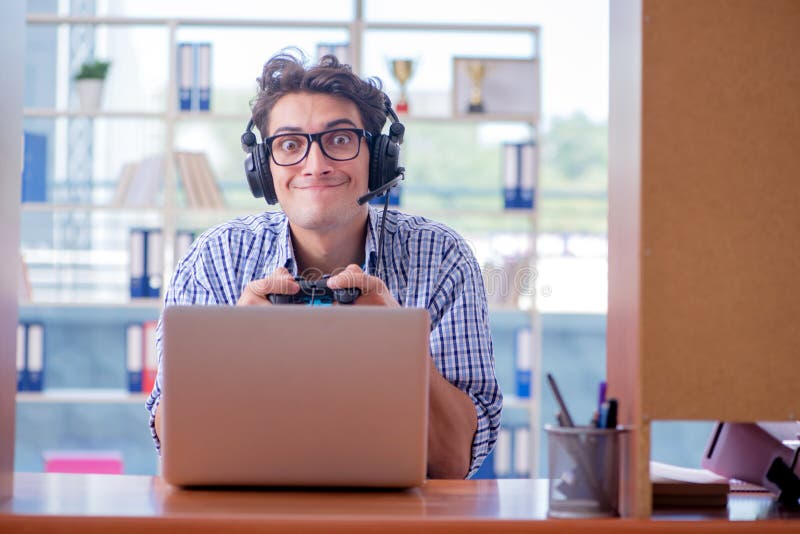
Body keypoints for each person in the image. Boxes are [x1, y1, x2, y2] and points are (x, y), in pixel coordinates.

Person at [145, 50, 502, 479]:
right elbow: (175, 446)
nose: (315, 166)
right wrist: (231, 347)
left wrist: (399, 346)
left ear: (379, 157)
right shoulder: (215, 258)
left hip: (398, 511)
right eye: (290, 145)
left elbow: (453, 461)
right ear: (263, 168)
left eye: (340, 140)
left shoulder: (442, 257)